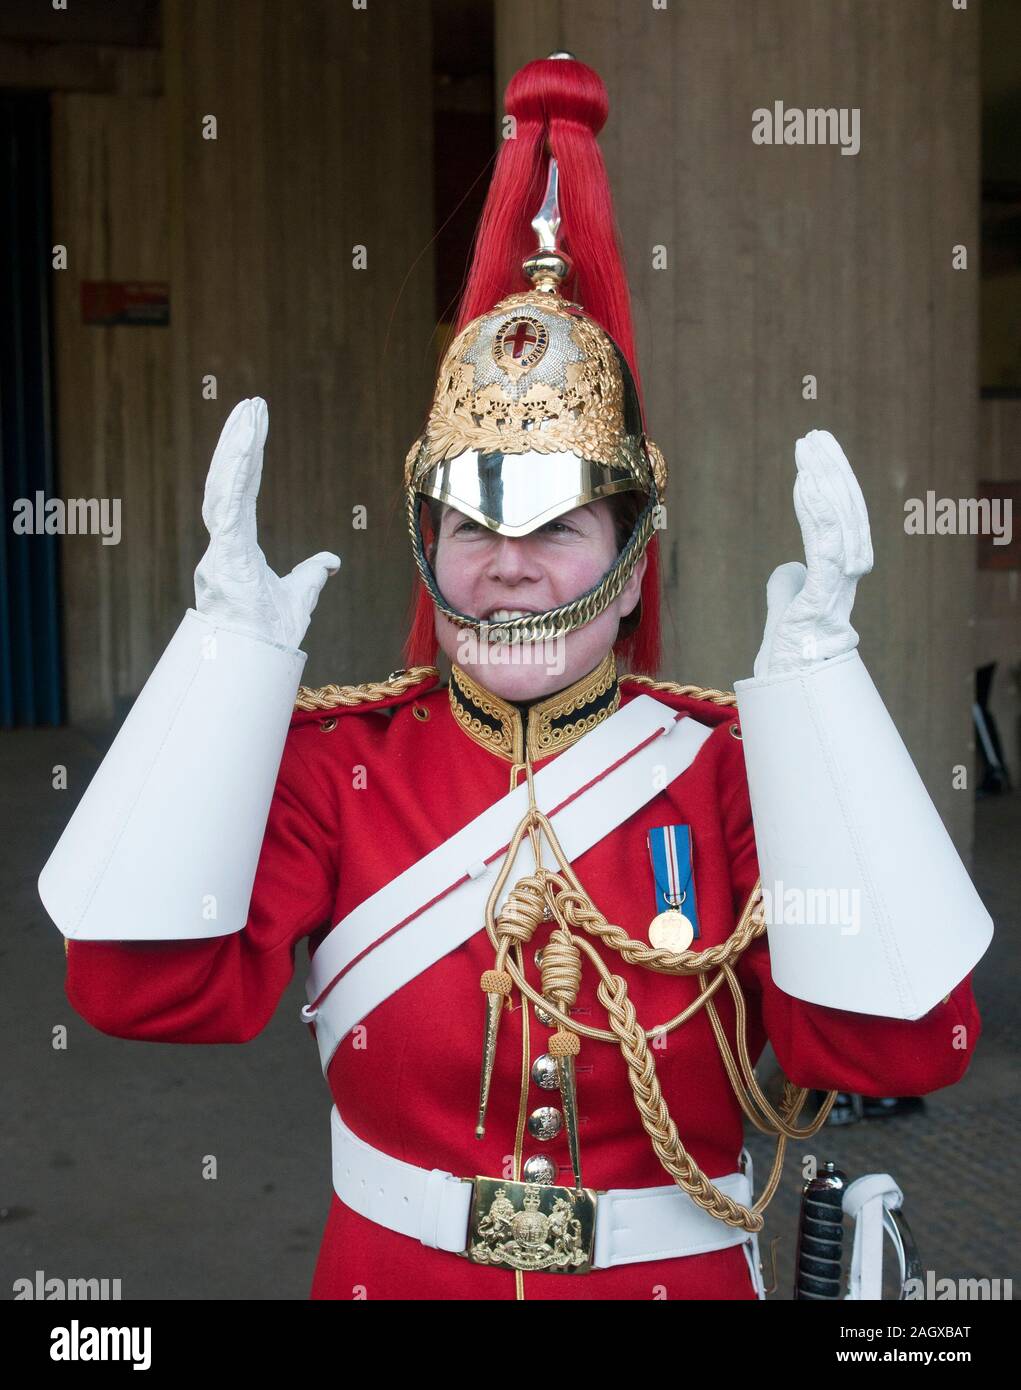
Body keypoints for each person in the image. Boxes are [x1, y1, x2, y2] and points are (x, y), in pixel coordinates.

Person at [39, 56, 991, 1302]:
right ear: (425, 543)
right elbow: (139, 991)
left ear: (634, 556)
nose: (510, 571)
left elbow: (902, 1040)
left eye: (558, 528)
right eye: (473, 527)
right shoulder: (340, 761)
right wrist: (221, 669)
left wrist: (822, 705)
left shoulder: (725, 770)